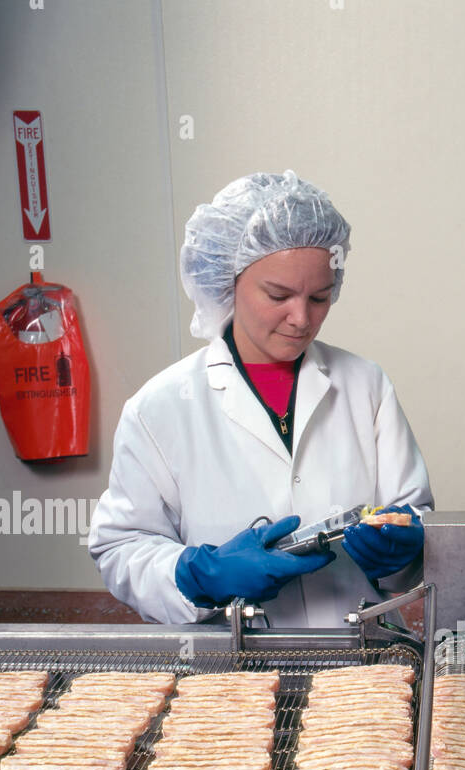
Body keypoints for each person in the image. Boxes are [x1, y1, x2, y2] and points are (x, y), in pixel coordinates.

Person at [88, 170, 432, 626]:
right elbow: (121, 547)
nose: (301, 318)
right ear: (227, 283)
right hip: (233, 671)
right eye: (278, 294)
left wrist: (404, 548)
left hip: (363, 665)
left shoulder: (365, 385)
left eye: (320, 297)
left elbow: (414, 519)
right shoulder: (161, 407)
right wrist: (198, 576)